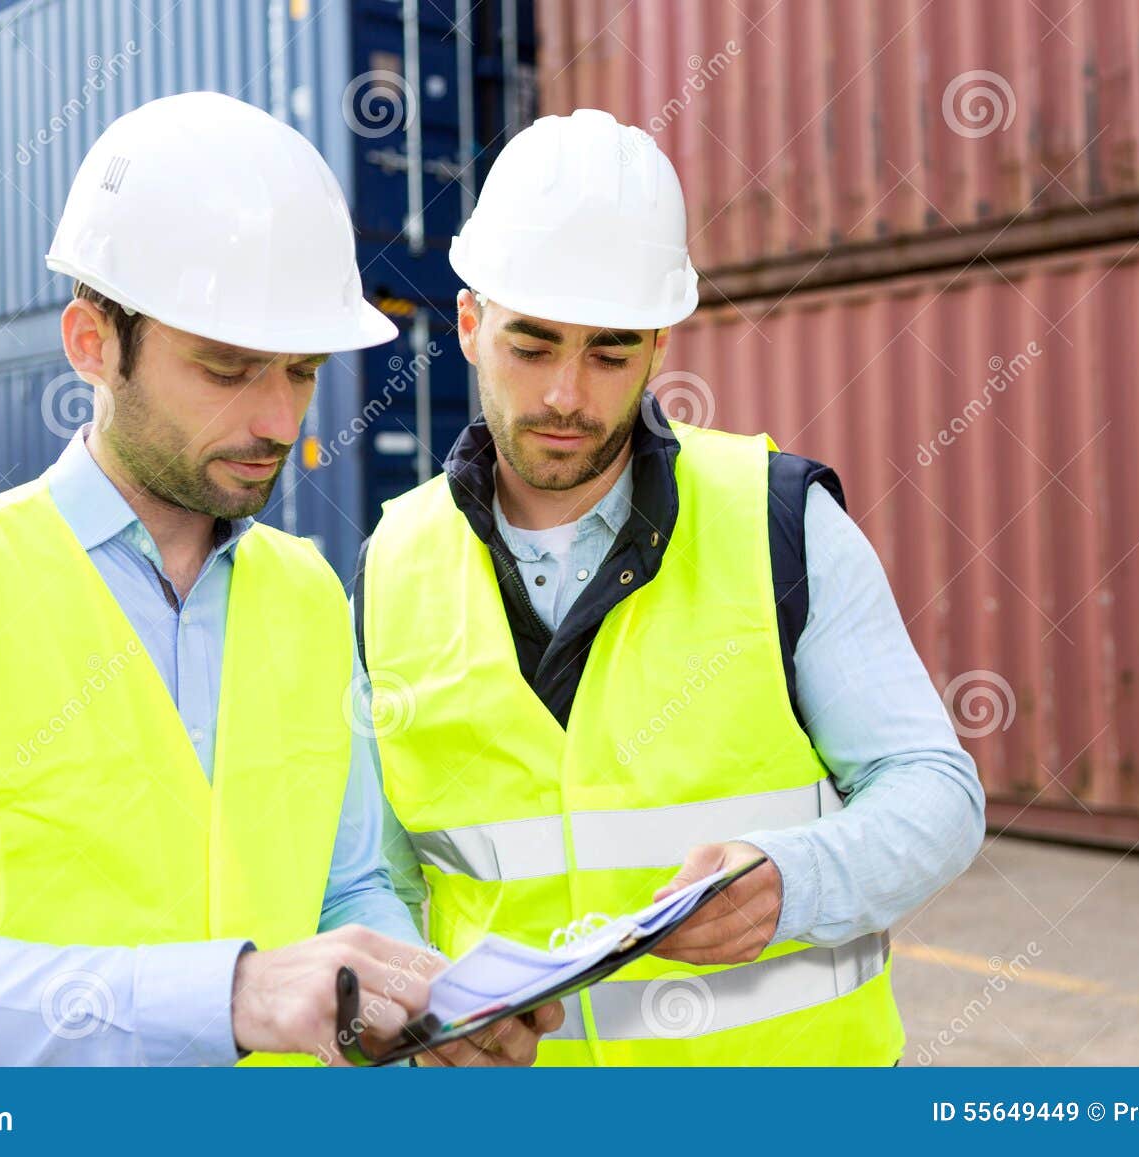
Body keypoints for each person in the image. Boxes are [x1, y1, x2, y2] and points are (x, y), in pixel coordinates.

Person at [0, 92, 560, 1067]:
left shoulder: (307, 591)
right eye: (227, 367)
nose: (280, 419)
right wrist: (230, 993)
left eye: (299, 369)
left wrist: (424, 1002)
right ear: (92, 343)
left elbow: (353, 885)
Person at [354, 109, 985, 1065]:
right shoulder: (391, 562)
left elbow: (937, 792)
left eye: (610, 352)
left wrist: (797, 880)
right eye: (534, 346)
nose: (568, 394)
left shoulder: (779, 522)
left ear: (659, 350)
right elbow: (385, 875)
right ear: (472, 327)